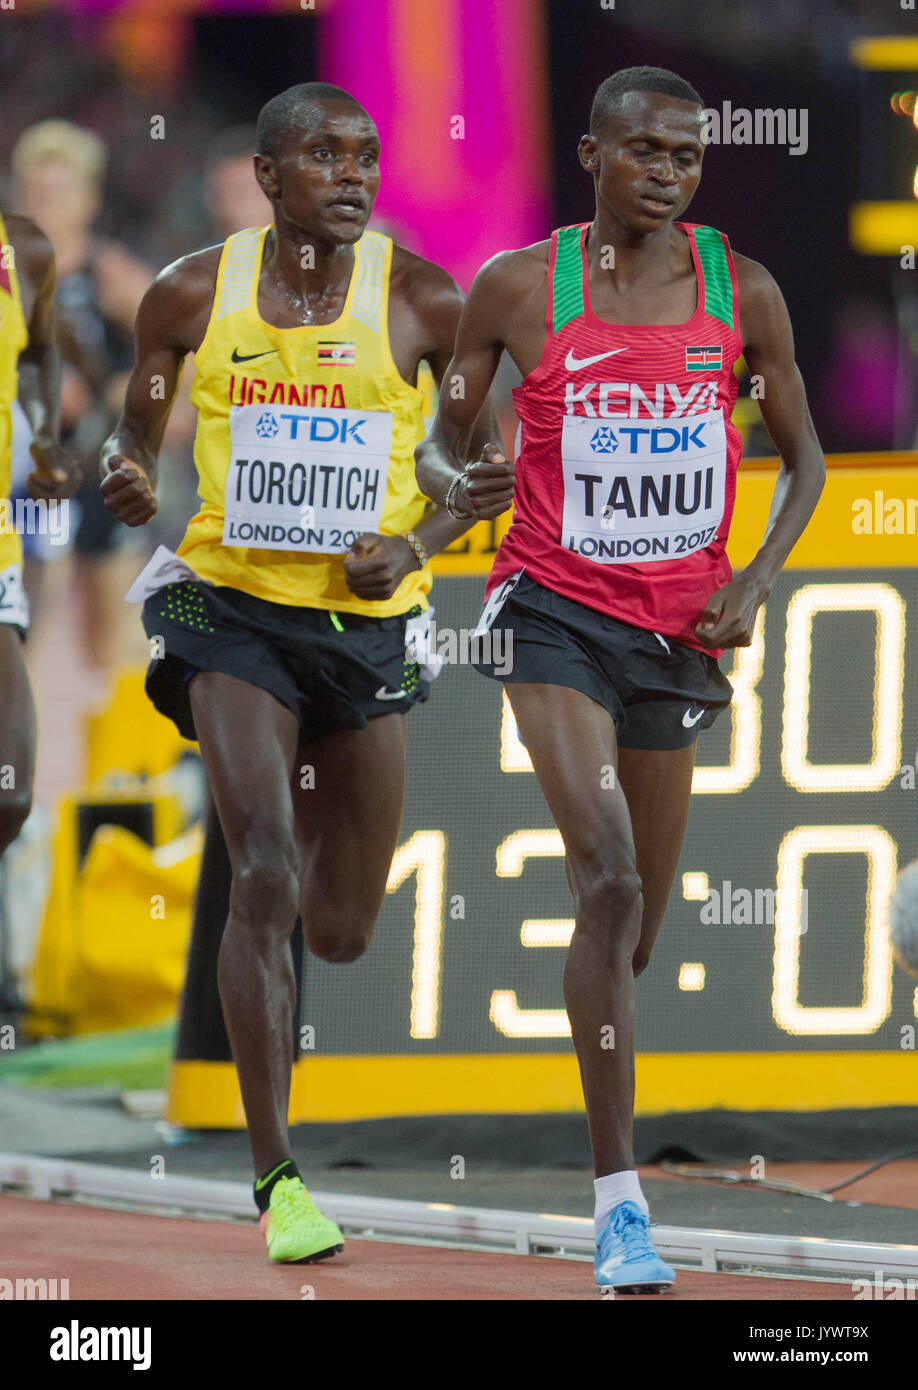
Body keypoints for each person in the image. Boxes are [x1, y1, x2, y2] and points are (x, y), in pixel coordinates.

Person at [415, 65, 826, 1293]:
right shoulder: (513, 288)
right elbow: (445, 441)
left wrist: (754, 580)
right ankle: (620, 1203)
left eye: (687, 156)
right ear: (590, 153)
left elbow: (805, 462)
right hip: (549, 607)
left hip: (679, 628)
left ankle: (602, 1084)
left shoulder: (740, 294)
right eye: (644, 150)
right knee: (606, 875)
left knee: (631, 928)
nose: (666, 170)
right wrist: (456, 485)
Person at [100, 82, 498, 1265]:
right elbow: (140, 427)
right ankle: (277, 1175)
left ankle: (287, 1069)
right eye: (324, 156)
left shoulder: (426, 300)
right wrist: (127, 469)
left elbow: (476, 467)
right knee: (260, 859)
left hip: (363, 630)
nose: (353, 175)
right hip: (224, 608)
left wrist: (415, 543)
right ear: (269, 178)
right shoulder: (189, 293)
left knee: (338, 932)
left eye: (366, 156)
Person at [0, 211, 79, 999]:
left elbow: (39, 353)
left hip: (0, 553)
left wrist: (47, 440)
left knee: (11, 794)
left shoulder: (20, 249)